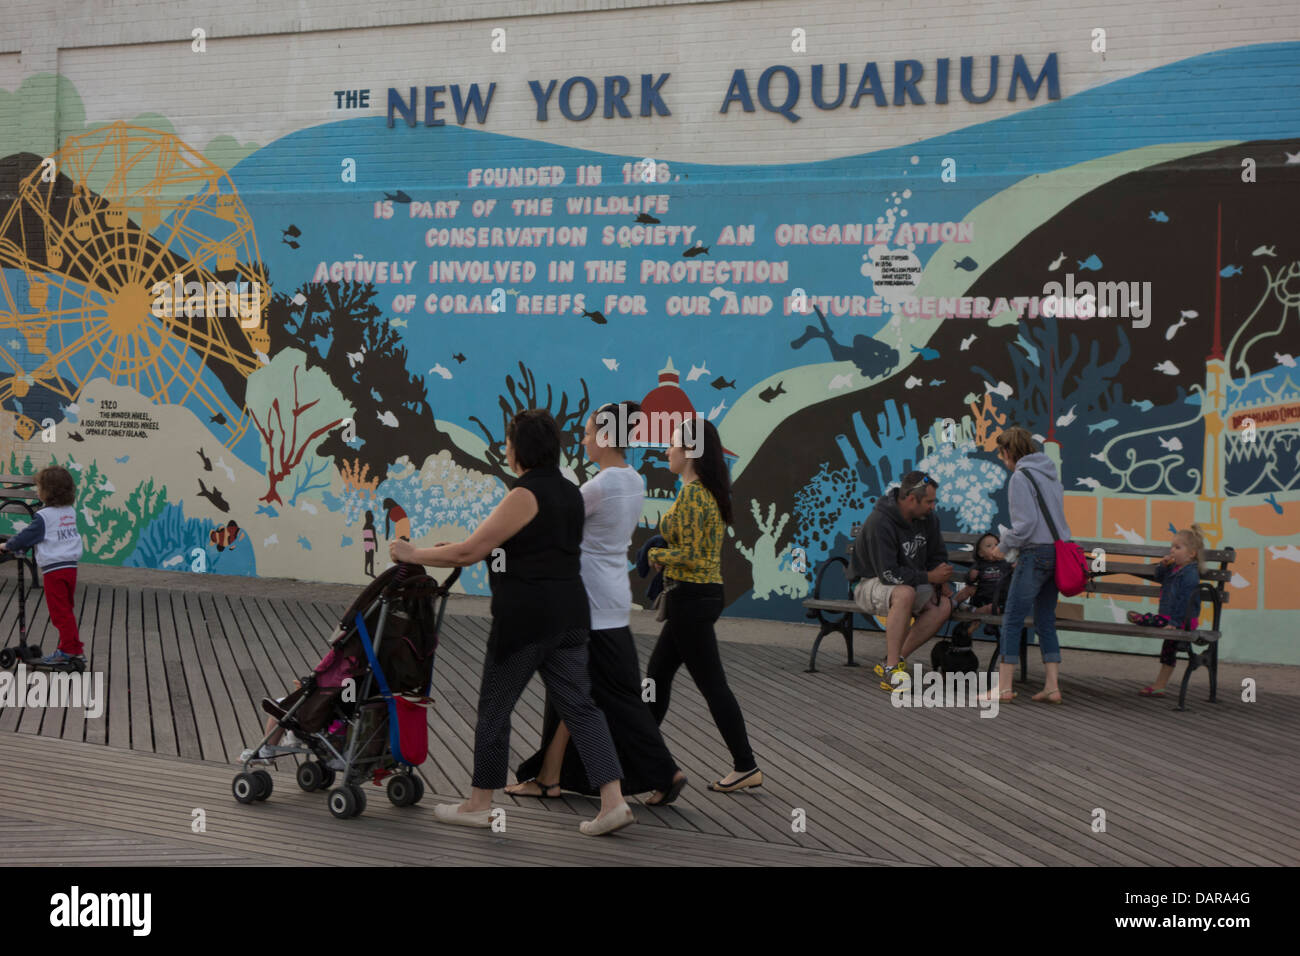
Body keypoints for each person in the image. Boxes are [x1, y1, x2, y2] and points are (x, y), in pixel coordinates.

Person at [390, 408, 634, 836]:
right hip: (571, 615)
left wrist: (415, 554)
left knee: (495, 709)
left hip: (526, 621)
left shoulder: (524, 494)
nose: (505, 450)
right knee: (581, 708)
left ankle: (479, 803)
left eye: (507, 442)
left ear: (520, 448)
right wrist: (460, 548)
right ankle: (613, 802)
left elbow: (470, 552)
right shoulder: (570, 492)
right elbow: (523, 546)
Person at [510, 402, 688, 805]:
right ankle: (549, 776)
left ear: (606, 438)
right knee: (583, 692)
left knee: (608, 695)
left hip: (587, 603)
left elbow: (554, 529)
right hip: (612, 599)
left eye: (589, 433)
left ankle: (663, 771)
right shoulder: (635, 480)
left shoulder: (597, 487)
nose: (584, 440)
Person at [645, 417, 762, 793]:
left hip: (692, 599)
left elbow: (692, 557)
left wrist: (655, 555)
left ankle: (745, 765)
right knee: (656, 677)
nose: (667, 450)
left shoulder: (694, 495)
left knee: (710, 685)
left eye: (673, 444)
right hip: (697, 598)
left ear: (690, 451)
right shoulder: (702, 491)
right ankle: (641, 760)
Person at [849, 470, 954, 691]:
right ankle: (891, 670)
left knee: (942, 605)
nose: (933, 506)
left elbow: (937, 555)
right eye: (929, 502)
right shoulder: (880, 522)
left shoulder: (928, 519)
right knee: (904, 593)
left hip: (907, 583)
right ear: (911, 499)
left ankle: (892, 661)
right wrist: (929, 577)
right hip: (869, 583)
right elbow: (888, 574)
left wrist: (940, 580)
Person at [985, 427, 1068, 703]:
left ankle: (1004, 687)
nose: (1002, 459)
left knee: (1012, 619)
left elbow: (1025, 524)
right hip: (1056, 554)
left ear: (1008, 451)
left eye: (1001, 453)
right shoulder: (1050, 475)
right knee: (1045, 619)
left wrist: (1002, 546)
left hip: (1034, 554)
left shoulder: (1020, 477)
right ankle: (1052, 686)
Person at [1, 466, 84, 669]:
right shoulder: (69, 512)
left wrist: (7, 545)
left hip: (54, 571)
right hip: (70, 568)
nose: (37, 491)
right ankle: (72, 649)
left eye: (39, 487)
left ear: (48, 491)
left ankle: (69, 651)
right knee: (66, 610)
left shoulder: (44, 516)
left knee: (59, 613)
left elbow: (27, 536)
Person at [1136, 525, 1205, 697]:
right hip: (1170, 618)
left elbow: (1185, 601)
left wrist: (1174, 622)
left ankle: (1147, 619)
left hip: (1181, 620)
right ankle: (1159, 685)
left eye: (1177, 547)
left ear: (1191, 553)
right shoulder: (1174, 569)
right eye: (1172, 547)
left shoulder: (1189, 574)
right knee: (1168, 650)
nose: (1172, 550)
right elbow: (1158, 577)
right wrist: (1163, 565)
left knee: (1168, 646)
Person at [951, 532, 1014, 635]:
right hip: (982, 596)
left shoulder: (1006, 563)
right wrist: (971, 576)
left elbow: (1014, 573)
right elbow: (969, 581)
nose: (994, 547)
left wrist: (1015, 567)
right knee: (968, 589)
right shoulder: (979, 564)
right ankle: (952, 604)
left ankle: (985, 620)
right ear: (981, 554)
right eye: (989, 546)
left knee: (995, 609)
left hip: (998, 599)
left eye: (997, 545)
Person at [361, 510, 376, 578]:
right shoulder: (371, 526)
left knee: (367, 558)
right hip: (370, 543)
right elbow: (374, 537)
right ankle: (371, 572)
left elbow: (366, 537)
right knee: (371, 559)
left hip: (367, 543)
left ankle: (366, 570)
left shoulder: (365, 526)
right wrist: (376, 544)